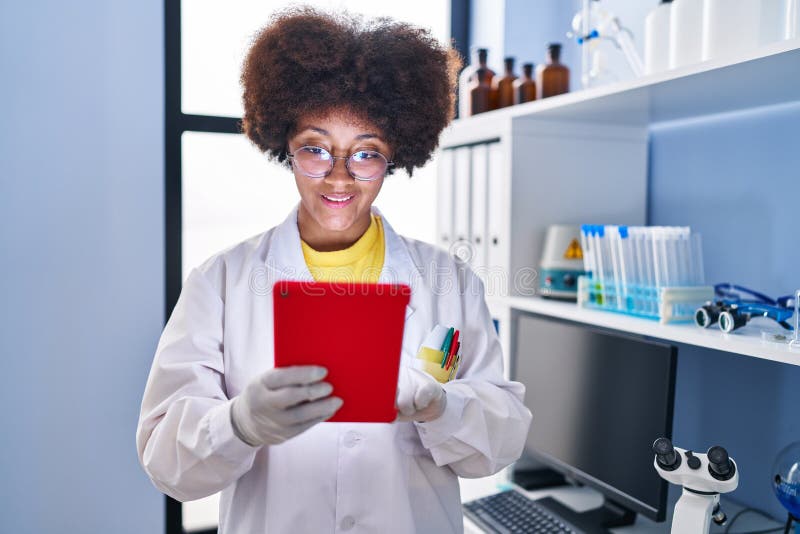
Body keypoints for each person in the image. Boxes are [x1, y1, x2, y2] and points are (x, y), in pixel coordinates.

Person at [136, 7, 531, 533]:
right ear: (286, 147)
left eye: (366, 152)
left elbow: (500, 444)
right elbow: (166, 462)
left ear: (396, 156)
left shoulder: (449, 282)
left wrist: (442, 405)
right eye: (316, 149)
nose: (339, 176)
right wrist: (240, 423)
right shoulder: (222, 282)